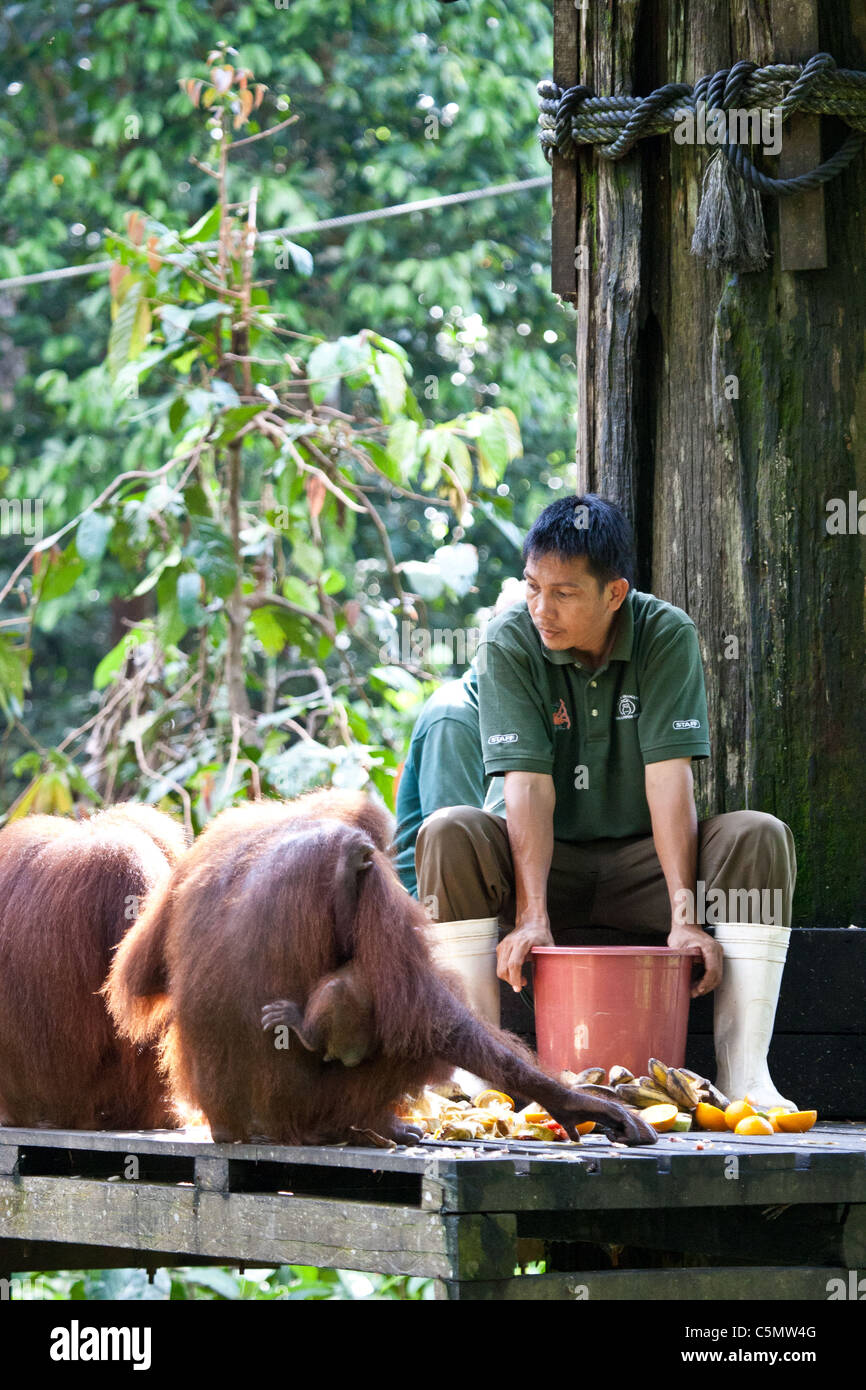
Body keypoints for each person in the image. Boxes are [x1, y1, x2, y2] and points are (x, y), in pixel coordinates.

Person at [415, 494, 797, 1109]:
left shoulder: (664, 633)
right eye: (533, 587)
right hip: (536, 865)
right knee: (447, 830)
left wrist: (684, 915)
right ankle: (479, 1075)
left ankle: (747, 1077)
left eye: (564, 593)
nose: (542, 608)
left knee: (759, 834)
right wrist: (532, 914)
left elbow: (668, 778)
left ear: (614, 594)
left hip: (642, 864)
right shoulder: (510, 639)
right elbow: (527, 785)